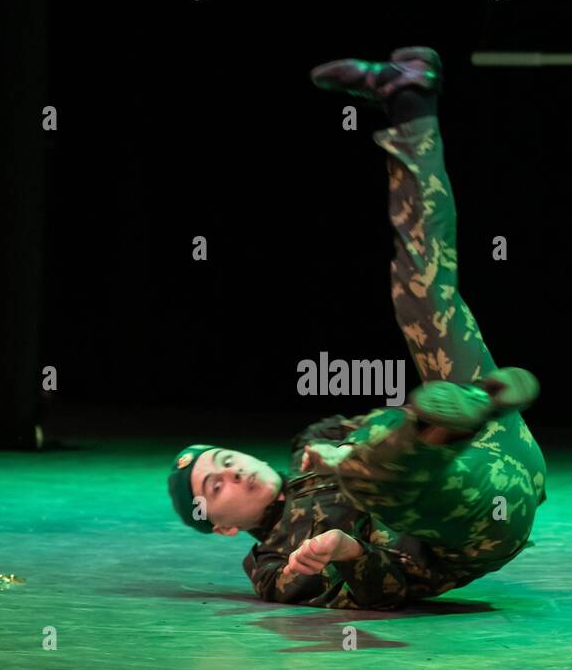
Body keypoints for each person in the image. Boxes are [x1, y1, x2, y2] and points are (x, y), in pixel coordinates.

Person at [168, 46, 547, 610]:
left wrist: (346, 450)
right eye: (213, 488)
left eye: (224, 461)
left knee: (421, 295)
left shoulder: (312, 442)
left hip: (495, 441)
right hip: (479, 520)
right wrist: (346, 551)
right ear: (221, 527)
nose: (232, 473)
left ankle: (409, 98)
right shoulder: (273, 564)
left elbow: (376, 422)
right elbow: (387, 587)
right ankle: (440, 428)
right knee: (373, 474)